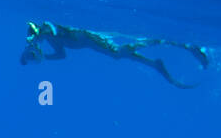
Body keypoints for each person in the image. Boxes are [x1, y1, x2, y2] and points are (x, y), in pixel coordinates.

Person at [21, 20, 209, 88]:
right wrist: (45, 57)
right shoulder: (49, 40)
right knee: (118, 55)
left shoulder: (46, 29)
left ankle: (181, 45)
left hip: (90, 38)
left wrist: (36, 38)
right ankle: (154, 64)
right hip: (88, 43)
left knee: (119, 53)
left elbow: (50, 29)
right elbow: (62, 55)